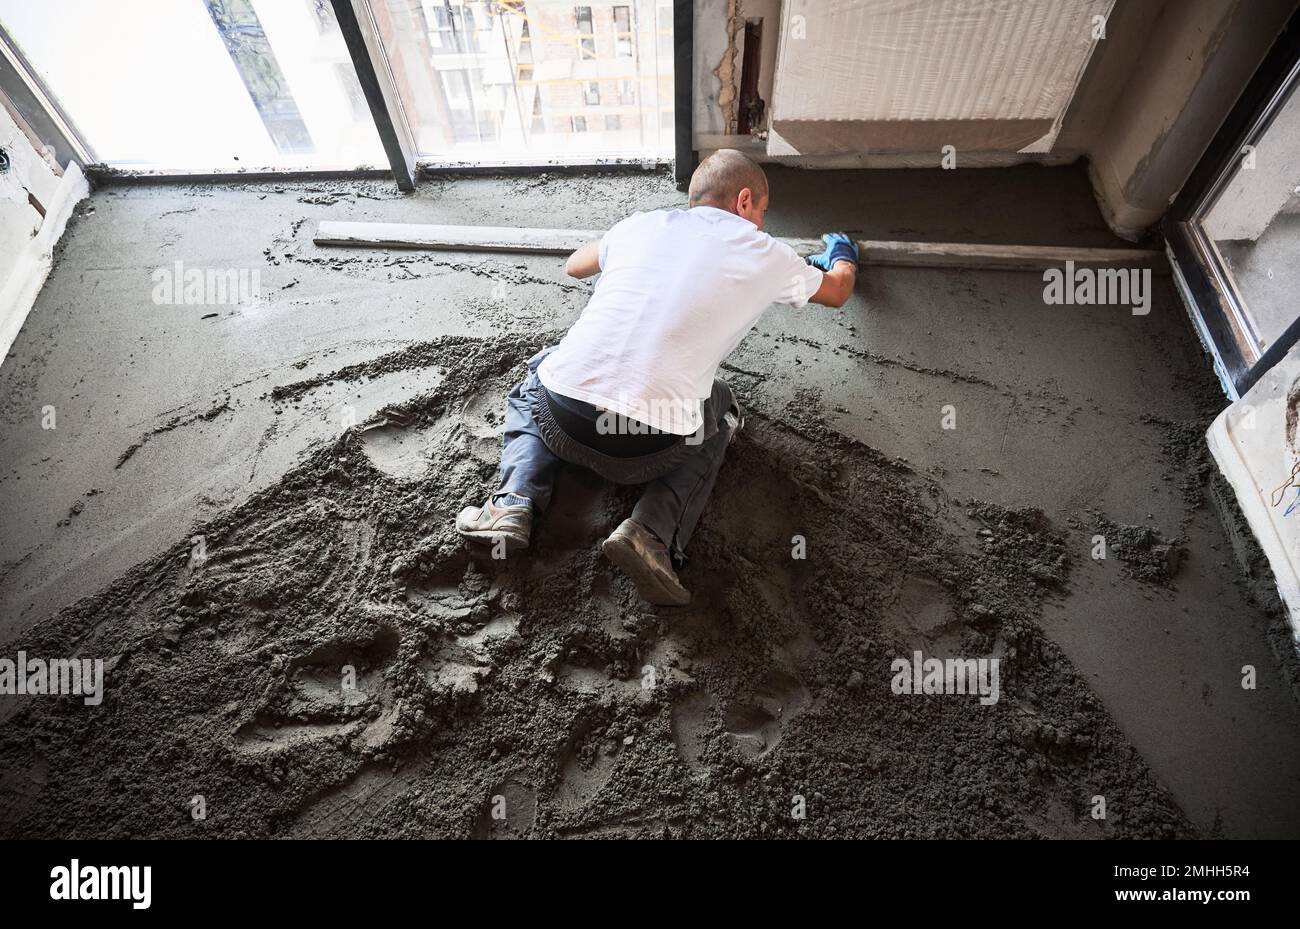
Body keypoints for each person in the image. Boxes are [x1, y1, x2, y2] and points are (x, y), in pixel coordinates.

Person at [456, 149, 859, 605]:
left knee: (544, 369)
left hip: (562, 420)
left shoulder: (641, 224)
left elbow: (574, 265)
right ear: (745, 201)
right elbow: (839, 291)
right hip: (647, 449)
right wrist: (842, 254)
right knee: (720, 407)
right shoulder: (768, 254)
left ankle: (511, 505)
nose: (761, 223)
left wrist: (631, 250)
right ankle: (650, 533)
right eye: (762, 213)